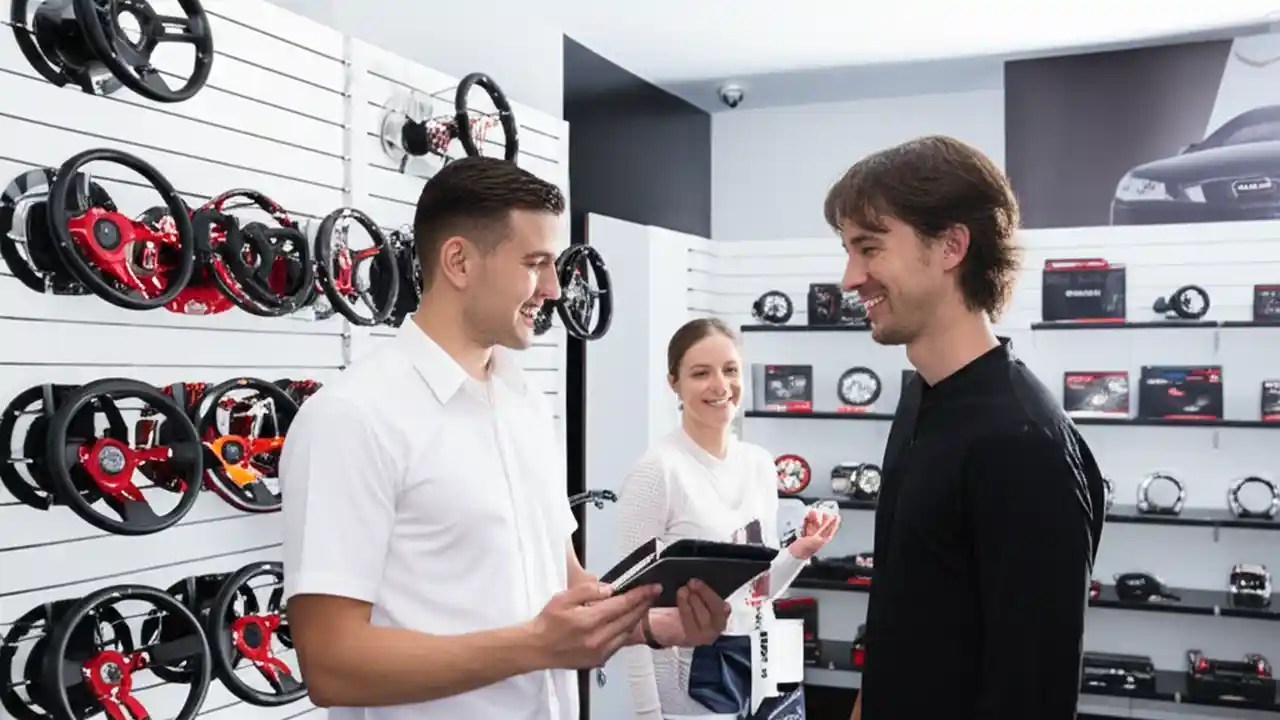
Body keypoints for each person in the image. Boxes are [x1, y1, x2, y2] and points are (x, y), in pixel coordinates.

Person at [277, 156, 733, 720]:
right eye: (536, 264)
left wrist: (658, 626)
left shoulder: (525, 404)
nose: (554, 288)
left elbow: (566, 587)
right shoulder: (351, 418)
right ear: (459, 261)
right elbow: (331, 664)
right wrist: (535, 646)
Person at [824, 136, 1107, 720]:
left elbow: (1033, 698)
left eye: (869, 248)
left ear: (952, 245)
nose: (850, 278)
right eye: (849, 251)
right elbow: (905, 614)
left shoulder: (1023, 444)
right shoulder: (919, 398)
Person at [615, 317, 842, 720]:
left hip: (762, 677)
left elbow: (758, 592)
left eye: (730, 370)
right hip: (690, 696)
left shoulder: (759, 464)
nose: (721, 386)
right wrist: (649, 715)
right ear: (674, 383)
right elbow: (628, 613)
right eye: (701, 373)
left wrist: (800, 552)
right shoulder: (658, 471)